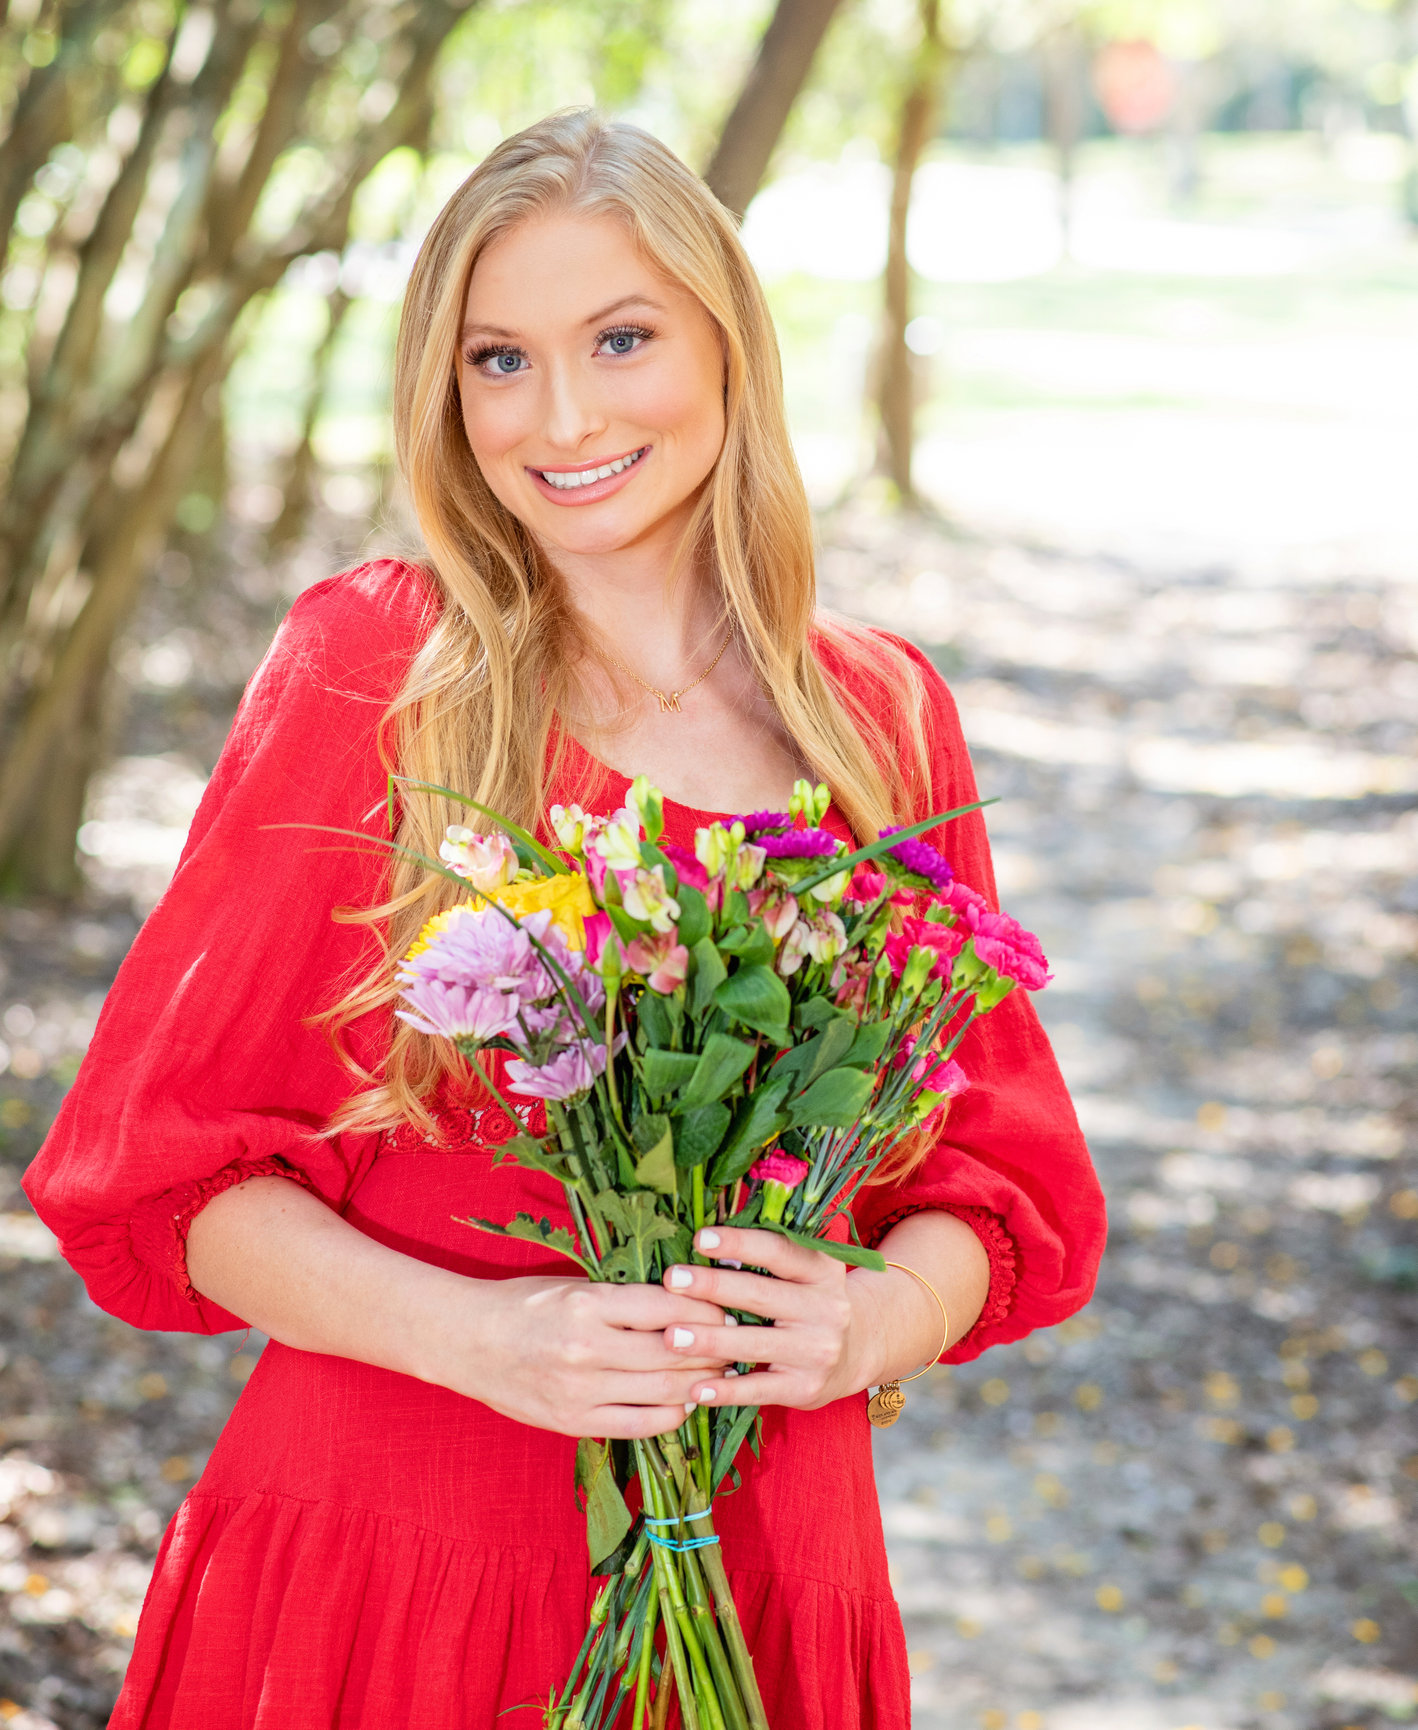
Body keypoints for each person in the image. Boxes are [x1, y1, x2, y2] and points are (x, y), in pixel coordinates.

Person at [24, 109, 1105, 1729]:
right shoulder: (376, 670)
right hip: (392, 1558)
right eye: (499, 360)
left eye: (620, 337)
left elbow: (989, 1180)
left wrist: (873, 1317)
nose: (566, 413)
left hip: (760, 1569)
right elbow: (166, 1179)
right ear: (444, 396)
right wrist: (488, 1335)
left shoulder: (873, 721)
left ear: (725, 344)